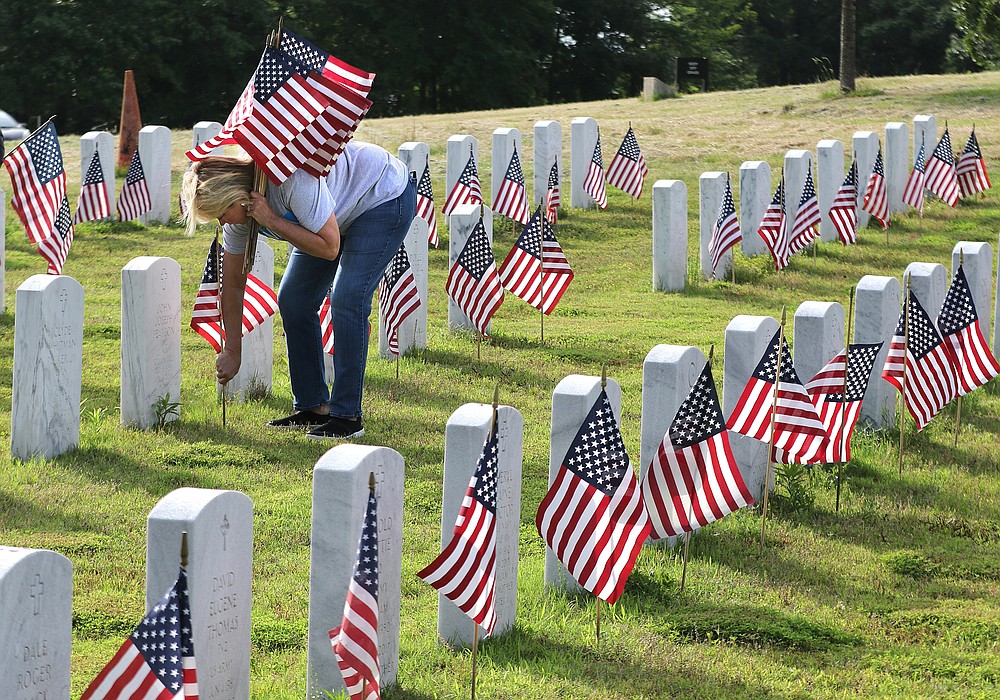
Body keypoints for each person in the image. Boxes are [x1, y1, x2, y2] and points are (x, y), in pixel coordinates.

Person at [182, 141, 416, 440]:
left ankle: (347, 416)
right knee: (294, 300)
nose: (222, 222)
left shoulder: (291, 180)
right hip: (333, 216)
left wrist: (272, 220)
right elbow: (233, 283)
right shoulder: (240, 215)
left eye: (221, 213)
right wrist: (232, 351)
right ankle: (313, 406)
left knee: (347, 298)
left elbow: (329, 247)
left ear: (237, 197)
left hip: (380, 195)